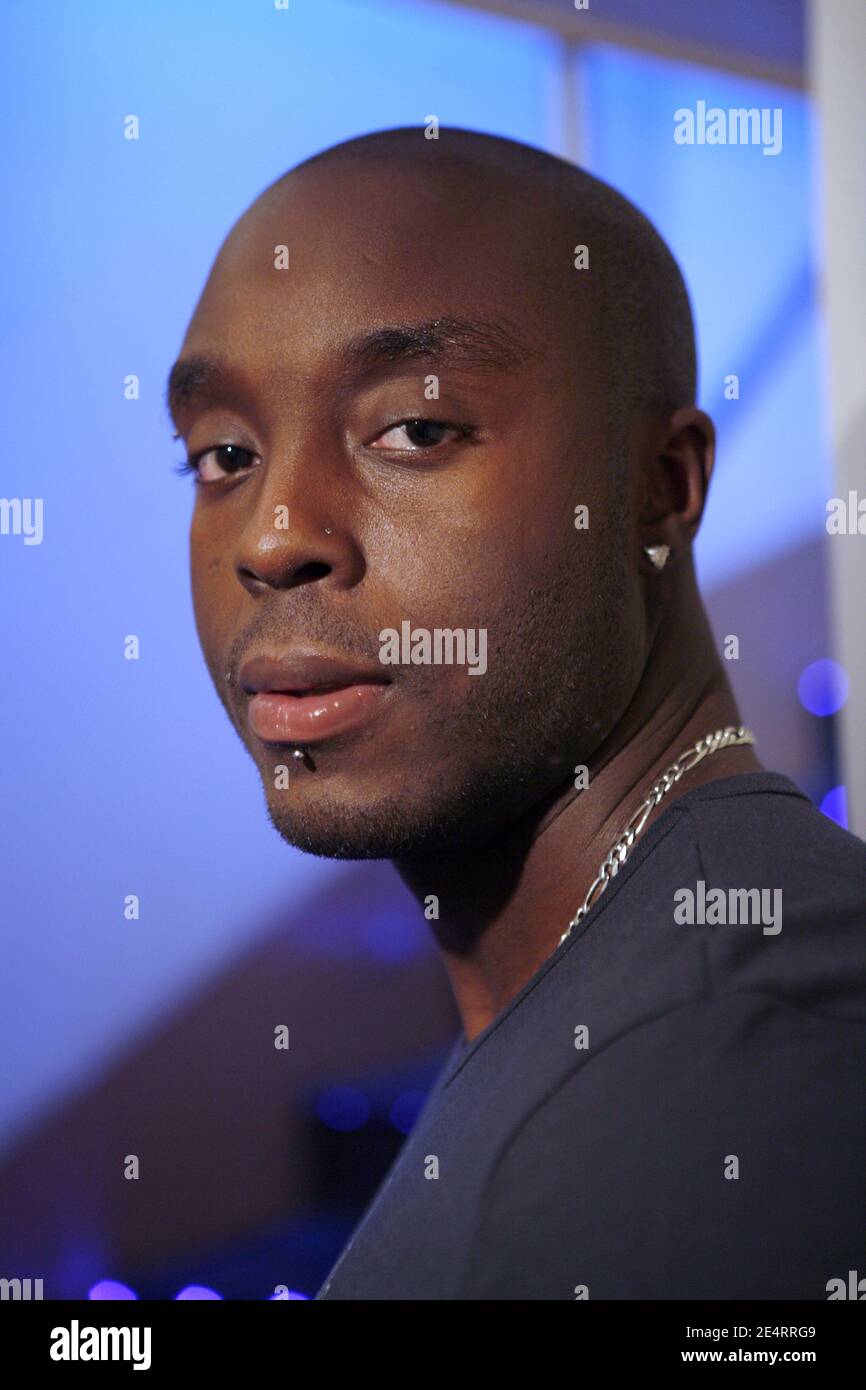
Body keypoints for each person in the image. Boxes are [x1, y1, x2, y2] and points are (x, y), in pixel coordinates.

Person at [167, 128, 866, 1299]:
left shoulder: (716, 1082)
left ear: (659, 487)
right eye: (224, 454)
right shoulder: (604, 997)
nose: (272, 534)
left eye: (417, 431)